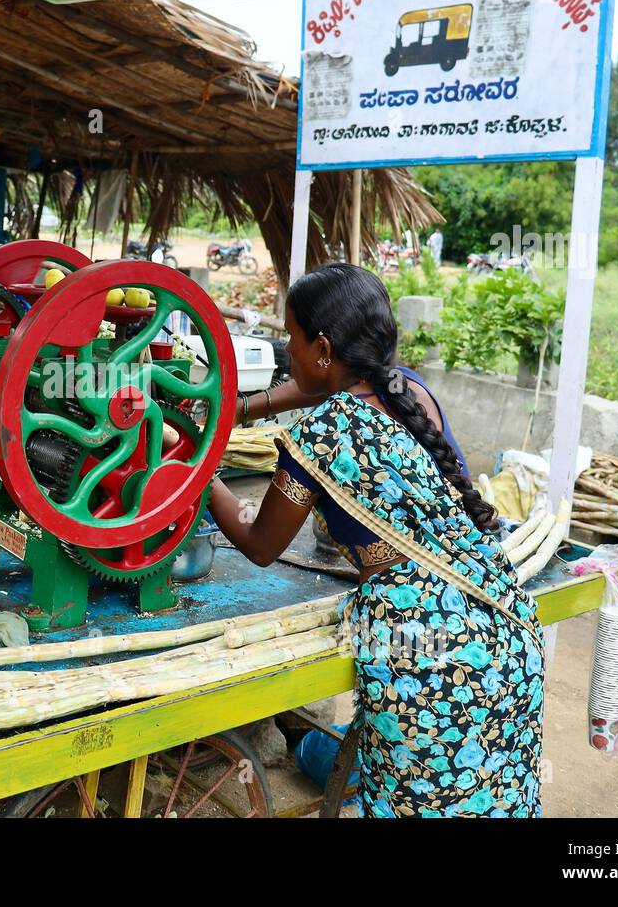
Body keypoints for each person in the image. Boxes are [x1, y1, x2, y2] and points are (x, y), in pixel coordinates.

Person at [207, 262, 544, 817]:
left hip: (429, 664)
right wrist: (246, 407)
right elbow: (325, 392)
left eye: (289, 339)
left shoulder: (318, 438)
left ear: (320, 347)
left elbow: (260, 543)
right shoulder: (411, 392)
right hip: (504, 636)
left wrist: (195, 469)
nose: (286, 354)